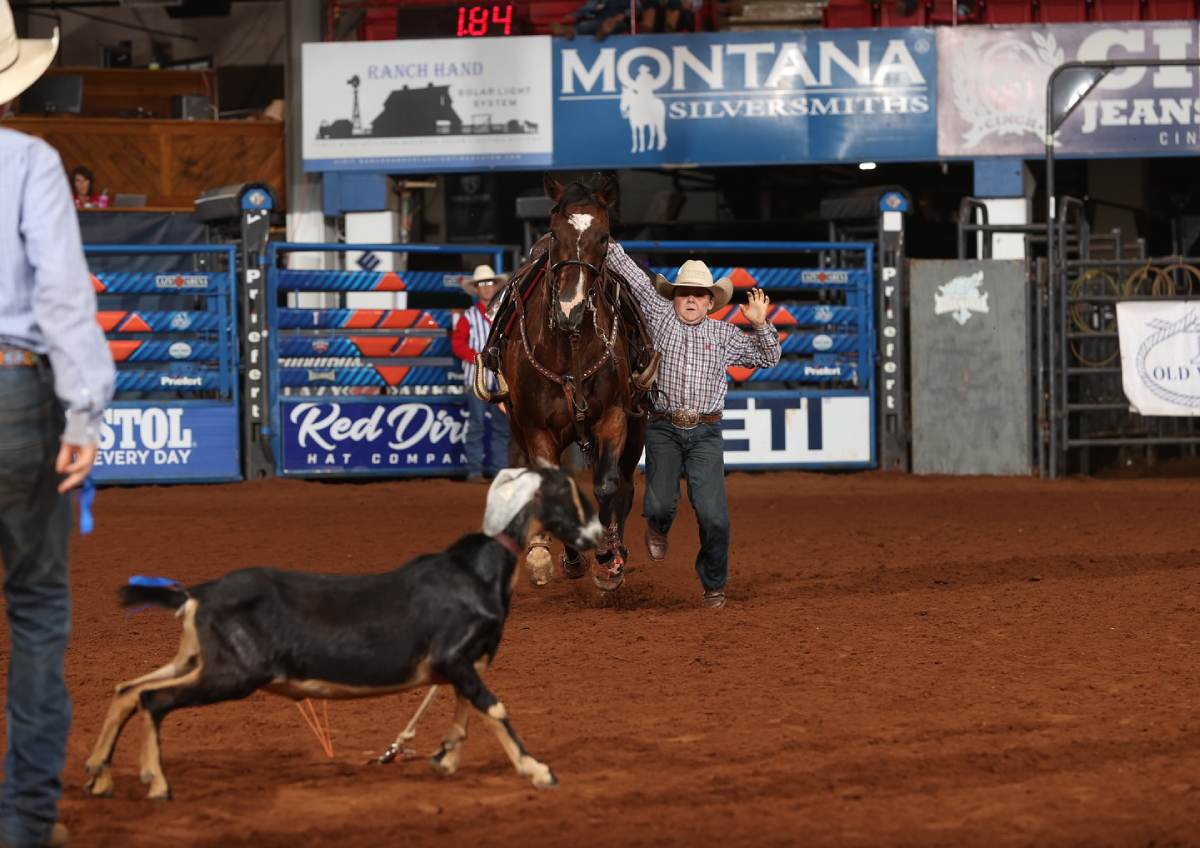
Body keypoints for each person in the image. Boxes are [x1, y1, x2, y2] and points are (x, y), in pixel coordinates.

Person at [0, 2, 116, 845]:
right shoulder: (28, 163)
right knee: (37, 608)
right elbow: (62, 296)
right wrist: (85, 409)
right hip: (14, 395)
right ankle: (24, 822)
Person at [605, 245, 780, 609]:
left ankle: (713, 585)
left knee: (714, 516)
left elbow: (768, 357)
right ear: (674, 297)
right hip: (663, 427)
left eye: (698, 294)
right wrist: (592, 227)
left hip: (705, 432)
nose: (690, 299)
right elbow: (630, 272)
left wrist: (761, 323)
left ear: (709, 301)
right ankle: (657, 526)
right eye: (684, 293)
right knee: (658, 504)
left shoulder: (724, 335)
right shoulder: (658, 313)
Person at [452, 264, 511, 482]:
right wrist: (477, 358)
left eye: (489, 283)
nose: (486, 288)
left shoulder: (504, 314)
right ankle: (475, 470)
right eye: (482, 284)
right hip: (476, 379)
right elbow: (457, 344)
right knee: (477, 425)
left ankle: (499, 471)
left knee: (501, 427)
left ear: (495, 286)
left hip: (501, 380)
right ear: (477, 289)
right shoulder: (469, 316)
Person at [549, 0, 630, 40]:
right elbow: (588, 8)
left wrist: (624, 14)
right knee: (586, 24)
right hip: (599, 21)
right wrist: (571, 17)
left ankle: (604, 31)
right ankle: (571, 31)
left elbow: (637, 8)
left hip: (619, 21)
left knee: (611, 24)